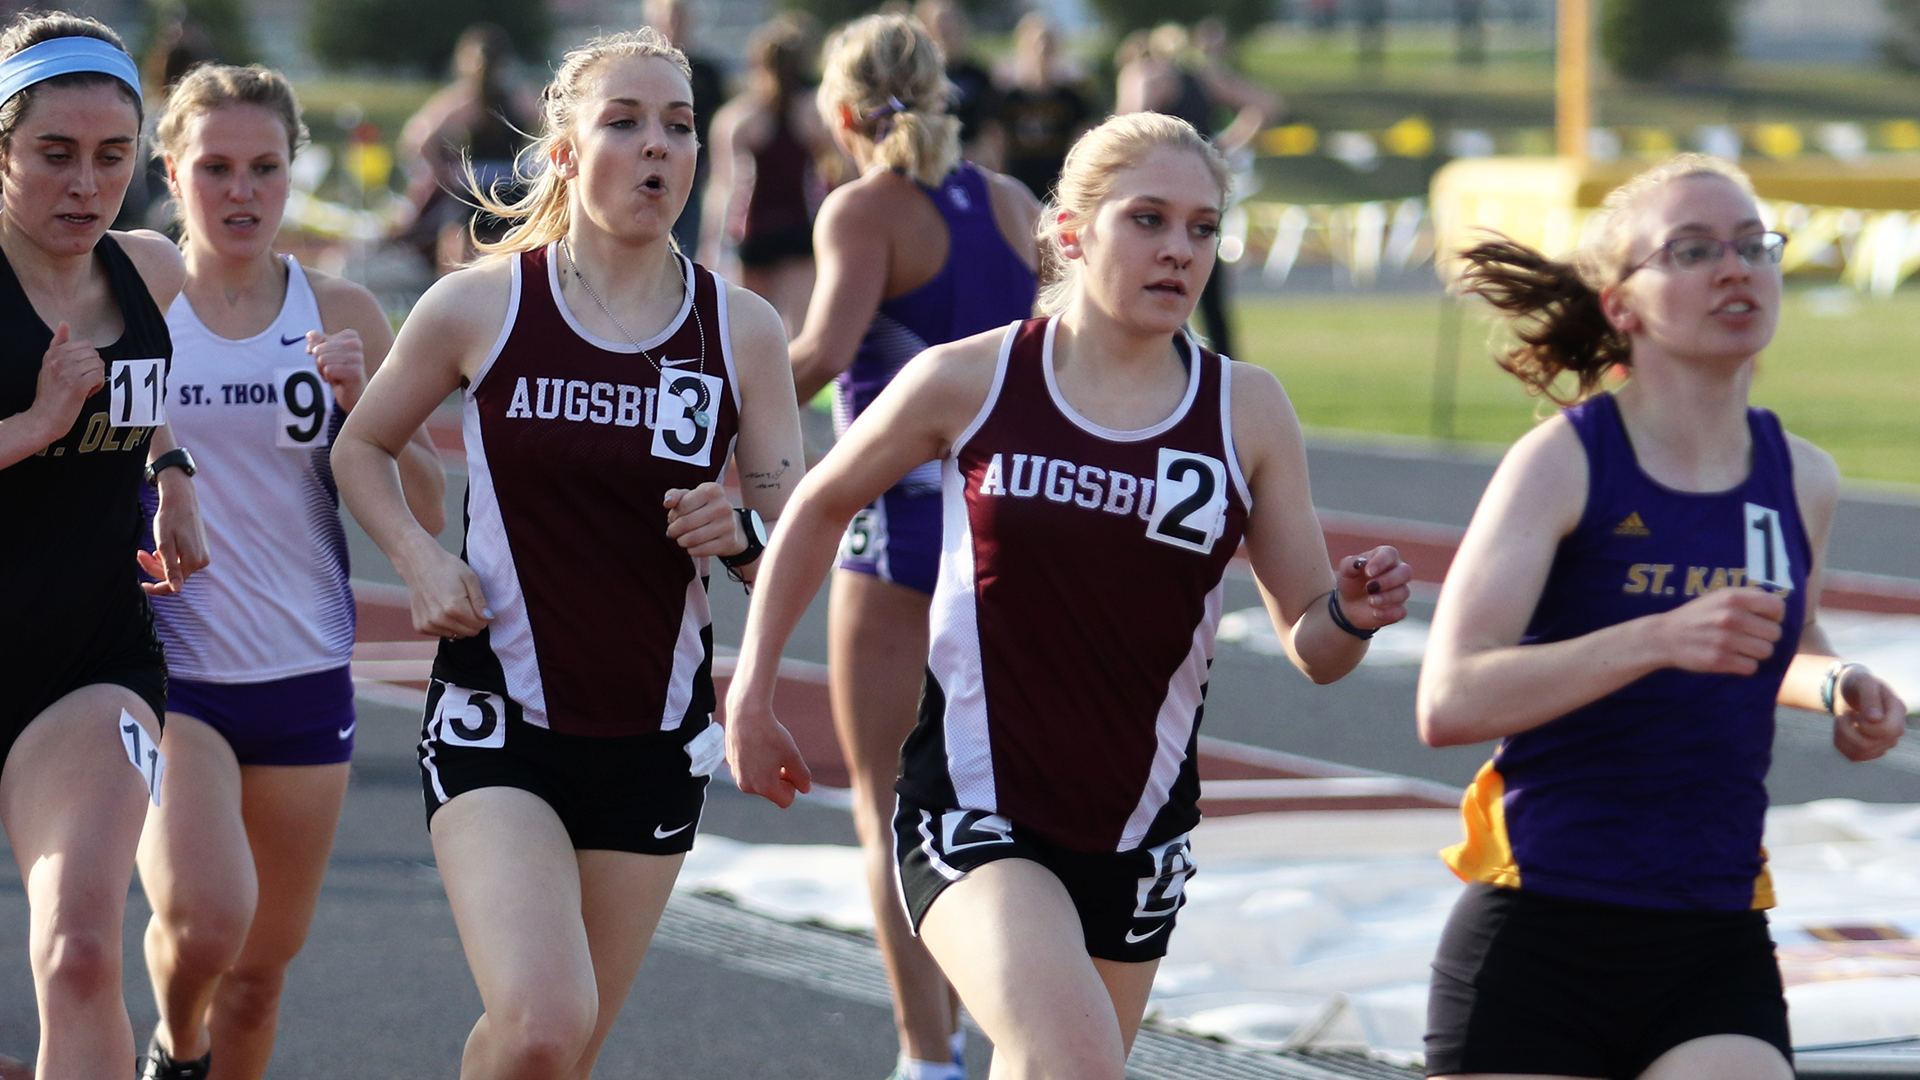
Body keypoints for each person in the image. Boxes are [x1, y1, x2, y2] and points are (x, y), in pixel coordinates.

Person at [730, 111, 1411, 1080]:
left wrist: (1348, 610)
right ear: (1070, 231)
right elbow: (819, 503)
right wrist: (751, 692)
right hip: (975, 811)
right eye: (1149, 220)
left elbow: (1314, 646)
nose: (1179, 249)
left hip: (1137, 832)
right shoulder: (971, 378)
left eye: (1202, 228)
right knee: (1078, 1063)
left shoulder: (1246, 409)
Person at [333, 28, 806, 1080]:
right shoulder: (482, 303)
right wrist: (417, 557)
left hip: (651, 730)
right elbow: (360, 444)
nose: (658, 149)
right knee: (545, 1018)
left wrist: (744, 534)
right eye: (625, 123)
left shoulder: (745, 331)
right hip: (497, 714)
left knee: (558, 1052)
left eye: (678, 127)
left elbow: (789, 539)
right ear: (562, 151)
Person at [1417, 154, 1908, 1080]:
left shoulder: (1802, 477)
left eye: (1752, 244)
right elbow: (1448, 699)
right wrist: (1656, 637)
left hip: (1713, 936)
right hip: (1543, 933)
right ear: (1622, 305)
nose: (1735, 268)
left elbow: (1783, 640)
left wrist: (1837, 683)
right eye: (1691, 250)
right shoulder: (1564, 464)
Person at [134, 64, 447, 1080]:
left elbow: (428, 508)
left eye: (265, 168)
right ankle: (175, 1047)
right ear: (171, 171)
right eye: (215, 167)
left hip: (306, 673)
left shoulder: (342, 308)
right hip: (168, 676)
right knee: (201, 926)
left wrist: (370, 413)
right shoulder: (131, 305)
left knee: (263, 975)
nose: (241, 192)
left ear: (291, 175)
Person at [787, 13, 1042, 1079]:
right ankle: (1016, 1026)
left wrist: (704, 409)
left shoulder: (863, 211)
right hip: (1012, 527)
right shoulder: (1014, 203)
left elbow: (822, 354)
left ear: (843, 115)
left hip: (897, 532)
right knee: (1005, 808)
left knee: (887, 809)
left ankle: (925, 1056)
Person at [0, 11, 206, 1076]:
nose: (86, 185)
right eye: (54, 155)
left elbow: (143, 386)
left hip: (87, 664)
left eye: (112, 157)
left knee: (81, 954)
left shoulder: (149, 270)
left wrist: (169, 472)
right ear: (1, 149)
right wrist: (32, 428)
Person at [1116, 22, 1277, 360]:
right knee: (1197, 280)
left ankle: (1204, 362)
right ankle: (1200, 357)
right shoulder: (1191, 78)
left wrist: (1222, 146)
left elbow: (1126, 127)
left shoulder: (1181, 78)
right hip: (1191, 190)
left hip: (1166, 192)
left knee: (1176, 275)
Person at [700, 14, 835, 335]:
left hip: (757, 231)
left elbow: (723, 189)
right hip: (798, 228)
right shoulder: (812, 117)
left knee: (751, 330)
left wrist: (711, 244)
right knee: (800, 331)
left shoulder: (739, 119)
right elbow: (839, 171)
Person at [396, 24, 539, 276]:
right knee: (512, 270)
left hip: (473, 191)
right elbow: (556, 126)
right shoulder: (519, 97)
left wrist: (442, 172)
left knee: (460, 272)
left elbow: (418, 141)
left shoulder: (462, 101)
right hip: (513, 188)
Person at [645, 0, 725, 257]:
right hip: (650, 167)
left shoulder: (706, 71)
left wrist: (714, 164)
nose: (674, 25)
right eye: (669, 18)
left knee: (687, 244)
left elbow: (717, 122)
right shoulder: (643, 69)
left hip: (692, 170)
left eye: (679, 18)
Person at [996, 13, 1092, 202]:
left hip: (1058, 188)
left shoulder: (1072, 100)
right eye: (1034, 46)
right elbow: (995, 146)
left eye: (1047, 47)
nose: (1041, 53)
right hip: (1016, 188)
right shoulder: (1006, 98)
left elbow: (1083, 145)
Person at [915, 0, 1002, 169]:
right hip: (931, 164)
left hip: (972, 163)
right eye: (939, 23)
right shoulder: (918, 77)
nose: (944, 30)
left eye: (949, 22)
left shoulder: (978, 76)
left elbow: (992, 130)